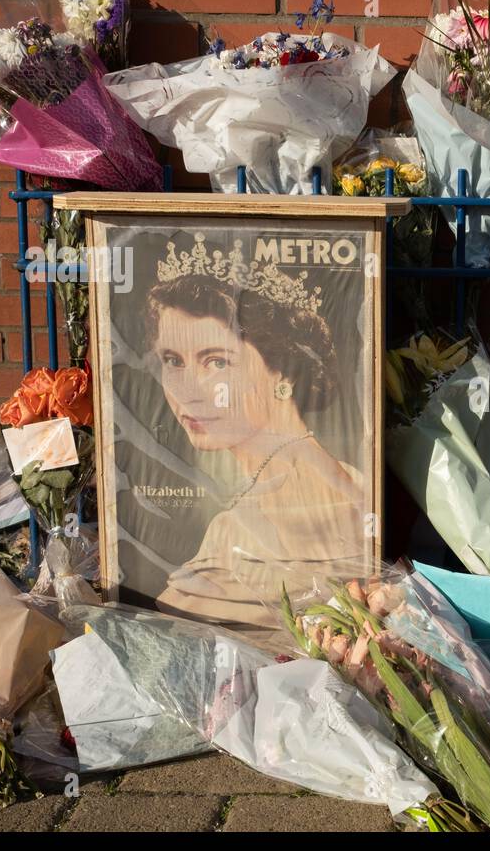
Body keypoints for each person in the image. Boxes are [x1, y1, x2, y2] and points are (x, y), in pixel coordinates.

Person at [142, 247, 368, 637]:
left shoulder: (266, 514)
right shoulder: (277, 484)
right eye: (173, 361)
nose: (188, 392)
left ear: (283, 369)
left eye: (216, 362)